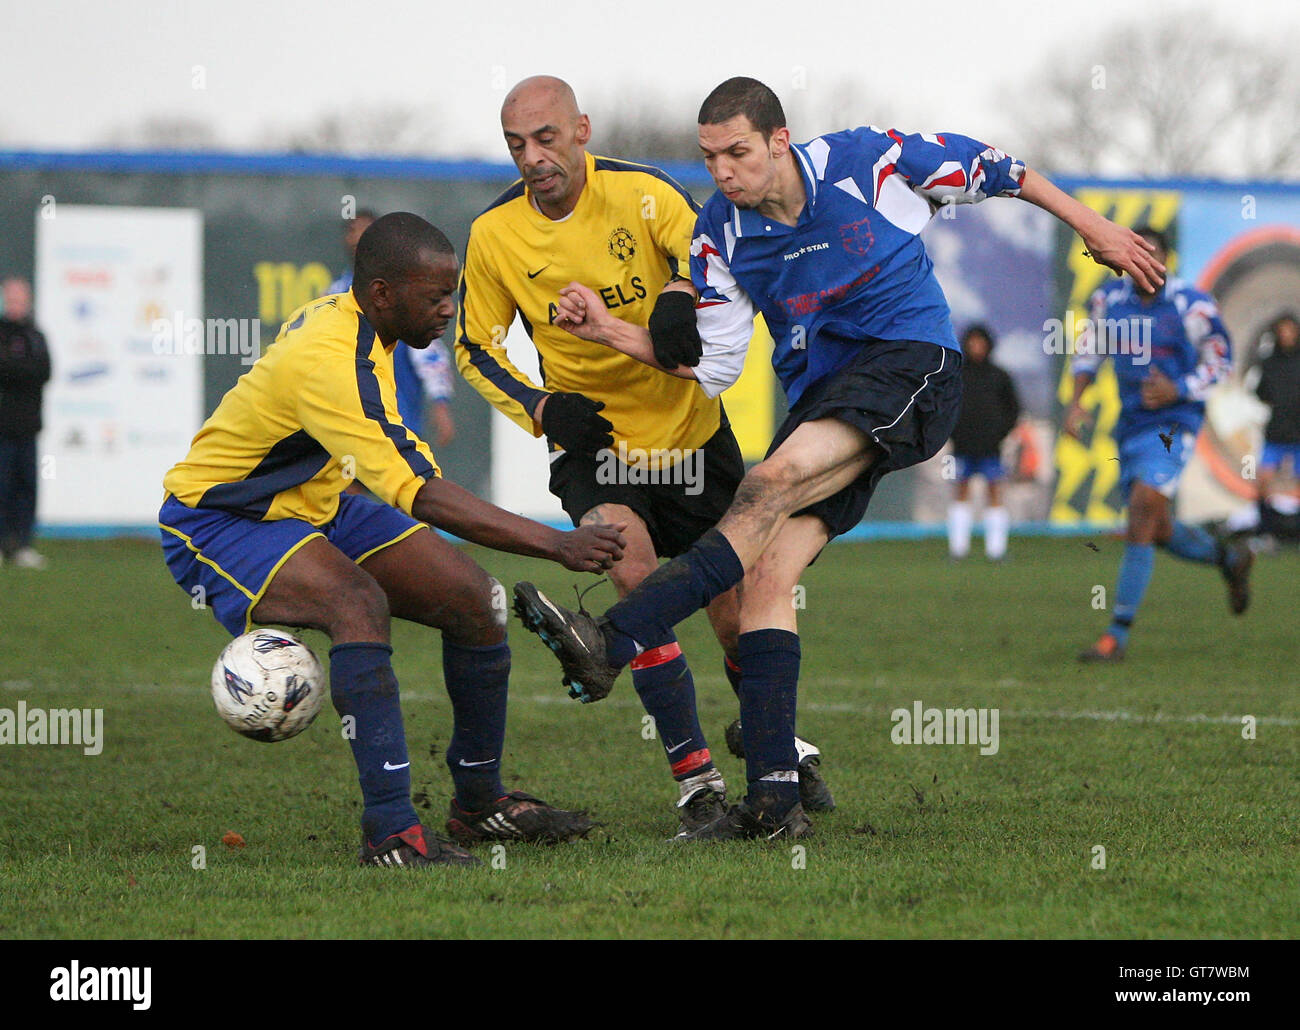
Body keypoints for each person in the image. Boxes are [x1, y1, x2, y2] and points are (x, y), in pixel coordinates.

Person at [513, 76, 1164, 841]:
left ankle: (610, 639)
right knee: (765, 572)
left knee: (766, 483)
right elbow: (711, 364)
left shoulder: (866, 161)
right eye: (710, 157)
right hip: (825, 400)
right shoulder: (719, 231)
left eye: (737, 152)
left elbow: (999, 168)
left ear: (779, 140)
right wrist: (606, 331)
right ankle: (774, 804)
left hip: (910, 362)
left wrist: (1097, 227)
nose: (722, 172)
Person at [160, 213, 626, 868]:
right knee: (357, 604)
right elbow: (424, 494)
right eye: (434, 296)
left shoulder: (357, 324)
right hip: (222, 519)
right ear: (382, 293)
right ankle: (391, 833)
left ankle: (479, 803)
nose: (448, 309)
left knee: (477, 599)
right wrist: (558, 544)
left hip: (317, 503)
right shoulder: (333, 361)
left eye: (450, 293)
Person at [455, 75, 833, 834]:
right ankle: (696, 780)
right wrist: (541, 407)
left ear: (582, 130)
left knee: (737, 617)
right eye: (516, 145)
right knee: (634, 577)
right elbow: (474, 347)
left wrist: (679, 292)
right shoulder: (493, 234)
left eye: (546, 138)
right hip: (596, 447)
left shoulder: (645, 193)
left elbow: (711, 253)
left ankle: (773, 746)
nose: (533, 157)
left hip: (693, 437)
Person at [1067, 225, 1251, 662]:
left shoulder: (1192, 304)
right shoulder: (1109, 301)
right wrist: (1076, 402)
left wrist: (1179, 388)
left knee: (1143, 508)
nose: (1145, 264)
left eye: (1153, 256)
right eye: (1137, 255)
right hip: (1131, 425)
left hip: (1174, 424)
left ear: (1166, 261)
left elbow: (1221, 361)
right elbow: (1089, 350)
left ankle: (1116, 635)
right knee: (1156, 526)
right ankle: (1229, 559)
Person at [329, 210, 456, 448]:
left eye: (365, 231)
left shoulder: (402, 290)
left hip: (398, 421)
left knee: (404, 470)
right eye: (352, 231)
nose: (357, 238)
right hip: (348, 425)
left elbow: (428, 351)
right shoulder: (333, 294)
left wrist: (440, 402)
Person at [947, 324, 1021, 561]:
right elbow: (945, 407)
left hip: (991, 447)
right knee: (960, 491)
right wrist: (954, 433)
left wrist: (999, 433)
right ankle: (958, 549)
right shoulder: (956, 375)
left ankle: (996, 550)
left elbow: (1013, 409)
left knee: (995, 491)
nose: (976, 347)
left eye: (981, 342)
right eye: (972, 342)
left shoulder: (999, 375)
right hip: (961, 446)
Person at [0, 277, 52, 569]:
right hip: (2, 426)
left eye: (20, 298)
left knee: (26, 486)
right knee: (2, 485)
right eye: (11, 298)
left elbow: (44, 371)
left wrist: (16, 370)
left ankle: (22, 545)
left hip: (29, 426)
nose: (16, 304)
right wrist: (21, 371)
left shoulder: (35, 335)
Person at [1255, 312, 1300, 532]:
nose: (1286, 335)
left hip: (1298, 431)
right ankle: (1266, 527)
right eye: (1282, 330)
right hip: (1277, 431)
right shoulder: (1270, 362)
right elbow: (1261, 392)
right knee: (1263, 479)